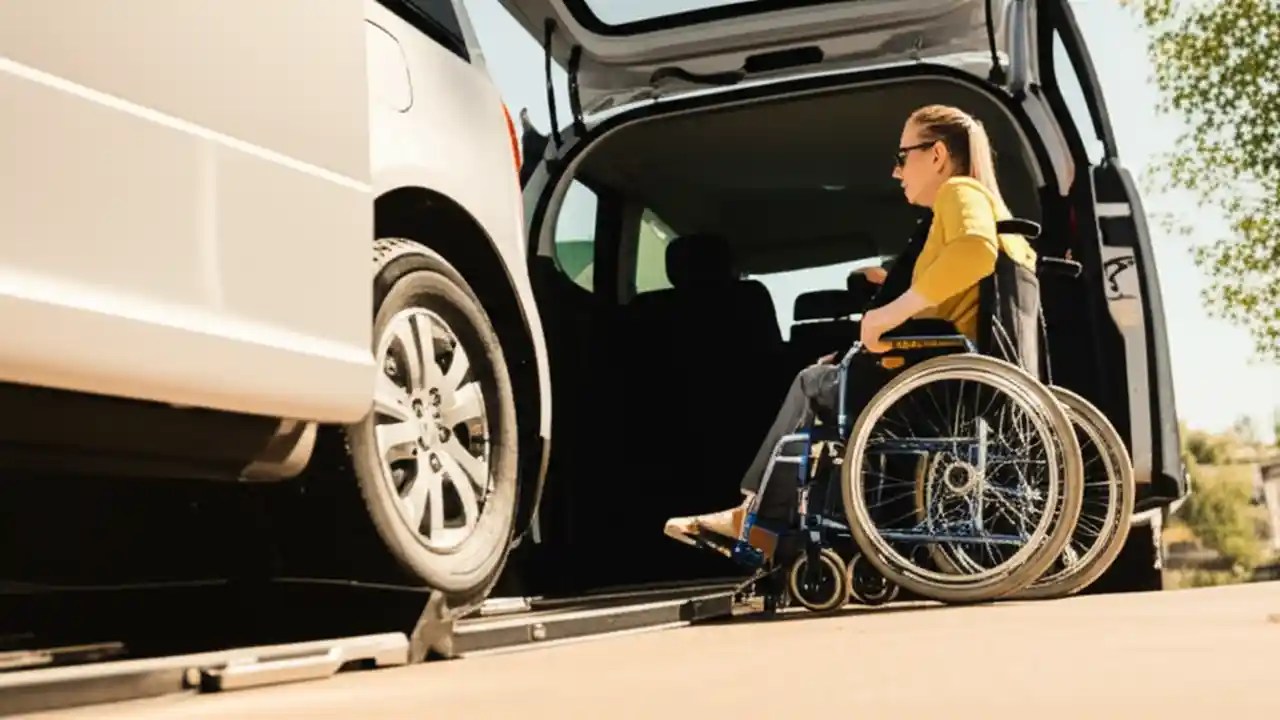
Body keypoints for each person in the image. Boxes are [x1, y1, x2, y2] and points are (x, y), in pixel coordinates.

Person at [663, 103, 1038, 553]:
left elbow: (975, 252)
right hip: (959, 374)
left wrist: (887, 315)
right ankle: (787, 525)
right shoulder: (992, 210)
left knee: (811, 384)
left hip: (939, 381)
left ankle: (754, 517)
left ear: (936, 155)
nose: (897, 172)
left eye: (903, 157)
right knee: (833, 377)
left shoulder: (959, 192)